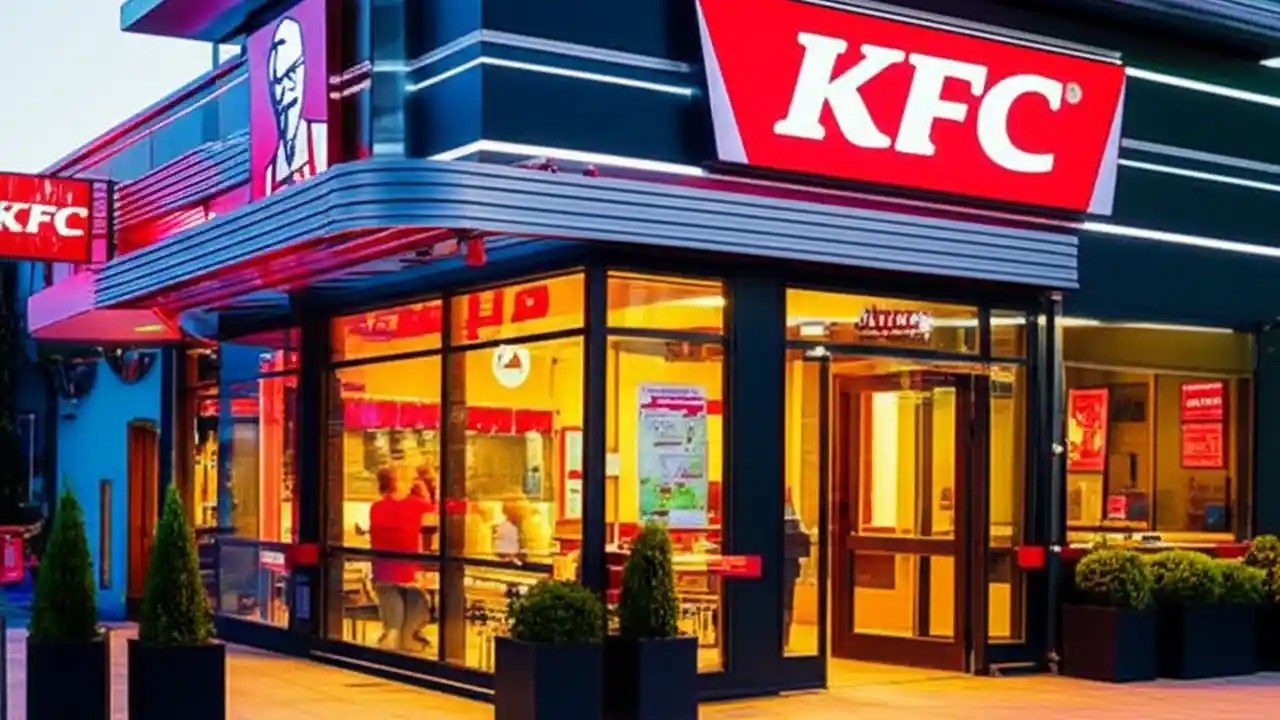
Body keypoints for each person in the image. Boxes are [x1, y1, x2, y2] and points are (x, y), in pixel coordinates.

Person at [262, 15, 329, 196]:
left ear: (302, 72)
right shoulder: (270, 174)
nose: (283, 93)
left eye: (289, 77)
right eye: (276, 83)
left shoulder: (323, 138)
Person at [367, 468, 430, 652]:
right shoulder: (416, 505)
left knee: (393, 622)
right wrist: (424, 492)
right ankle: (408, 643)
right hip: (410, 573)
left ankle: (393, 646)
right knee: (414, 612)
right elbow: (439, 516)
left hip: (383, 572)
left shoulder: (376, 508)